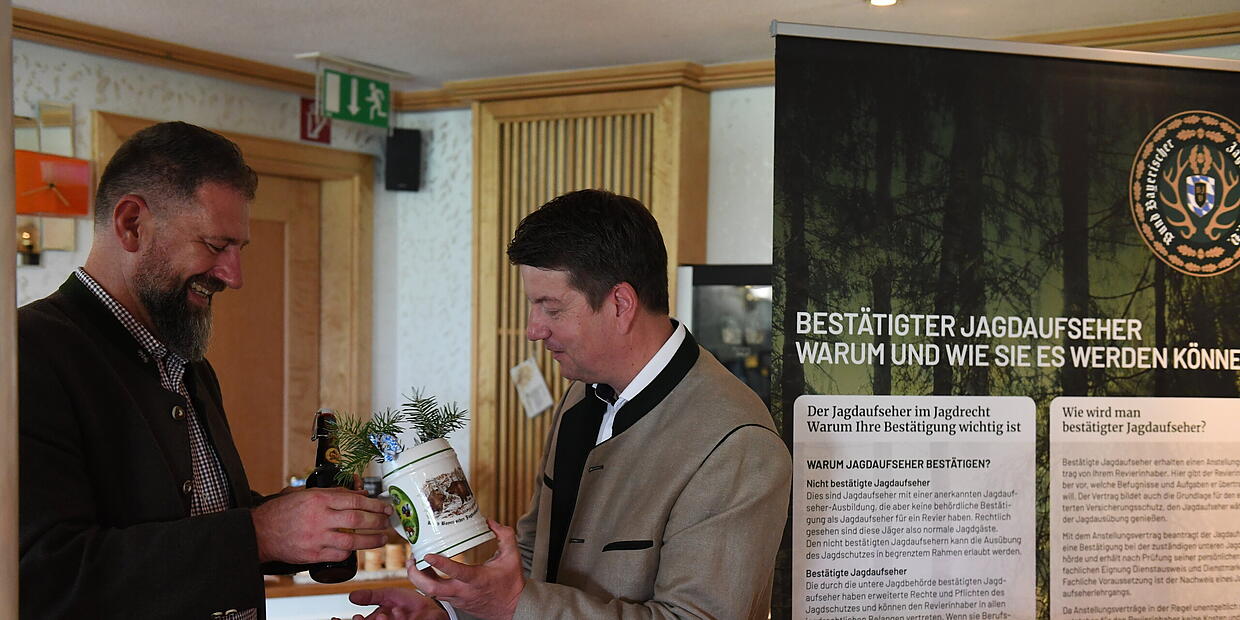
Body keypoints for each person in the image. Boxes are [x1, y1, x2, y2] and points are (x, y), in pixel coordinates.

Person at [348, 189, 791, 619]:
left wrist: (511, 606)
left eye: (550, 307)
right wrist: (451, 609)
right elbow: (532, 552)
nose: (533, 330)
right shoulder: (582, 395)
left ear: (620, 303)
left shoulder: (736, 445)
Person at [18, 121, 394, 619]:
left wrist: (301, 525)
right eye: (217, 246)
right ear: (131, 223)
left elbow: (193, 522)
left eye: (239, 250)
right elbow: (45, 576)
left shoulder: (188, 362)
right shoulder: (25, 354)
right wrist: (258, 534)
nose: (233, 277)